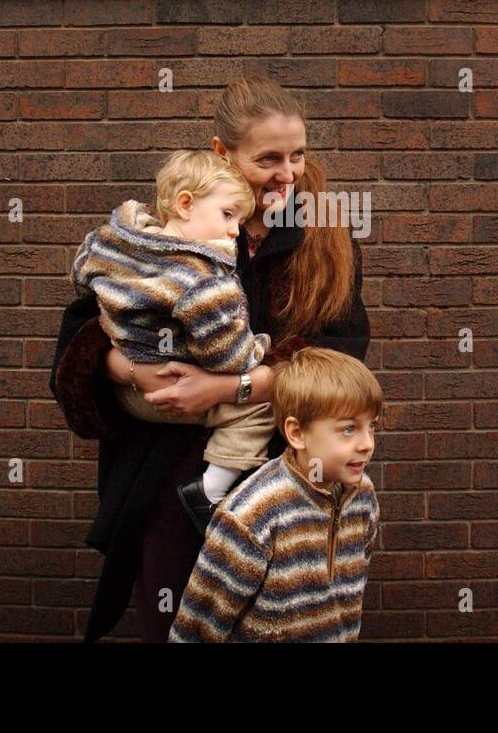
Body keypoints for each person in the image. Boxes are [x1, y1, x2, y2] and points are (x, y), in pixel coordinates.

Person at [49, 75, 370, 643]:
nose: (288, 174)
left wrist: (228, 388)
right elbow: (85, 322)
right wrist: (126, 368)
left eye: (298, 155)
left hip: (282, 470)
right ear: (222, 153)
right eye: (268, 158)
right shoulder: (178, 218)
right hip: (164, 469)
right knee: (176, 624)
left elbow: (341, 349)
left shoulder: (327, 237)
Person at [70, 150, 276, 533]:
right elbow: (227, 356)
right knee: (260, 409)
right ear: (185, 204)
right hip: (172, 391)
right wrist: (259, 348)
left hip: (126, 394)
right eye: (228, 215)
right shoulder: (200, 278)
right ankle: (209, 491)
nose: (235, 230)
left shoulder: (116, 241)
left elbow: (82, 272)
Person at [169, 347, 381, 642]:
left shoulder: (362, 498)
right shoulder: (251, 515)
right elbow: (196, 628)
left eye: (371, 427)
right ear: (296, 433)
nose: (367, 443)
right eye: (348, 429)